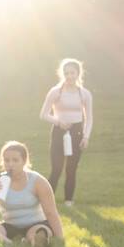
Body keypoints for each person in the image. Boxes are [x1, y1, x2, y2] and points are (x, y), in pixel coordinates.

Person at [0, 141, 64, 247]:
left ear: (24, 161)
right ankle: (8, 243)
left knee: (41, 230)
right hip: (10, 225)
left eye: (15, 160)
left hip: (36, 224)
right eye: (7, 160)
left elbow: (50, 212)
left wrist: (60, 238)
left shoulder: (37, 181)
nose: (10, 164)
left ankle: (36, 238)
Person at [39, 58, 93, 206]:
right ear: (62, 74)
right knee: (56, 168)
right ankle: (46, 201)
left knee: (71, 169)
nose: (69, 76)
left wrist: (86, 137)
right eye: (66, 73)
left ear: (78, 74)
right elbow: (43, 114)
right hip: (59, 132)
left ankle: (69, 201)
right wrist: (58, 122)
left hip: (77, 133)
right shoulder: (55, 92)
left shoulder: (84, 94)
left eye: (72, 73)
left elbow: (89, 118)